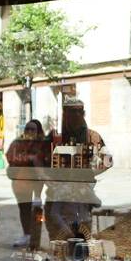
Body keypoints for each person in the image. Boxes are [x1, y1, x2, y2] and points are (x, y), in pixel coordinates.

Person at [44, 97, 108, 240]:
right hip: (57, 195)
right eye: (70, 112)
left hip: (81, 196)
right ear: (64, 114)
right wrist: (49, 179)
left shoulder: (92, 136)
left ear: (83, 114)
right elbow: (40, 162)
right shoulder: (55, 137)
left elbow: (108, 160)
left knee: (81, 241)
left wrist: (88, 173)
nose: (74, 115)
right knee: (59, 242)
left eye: (78, 112)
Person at [6, 119, 52, 248]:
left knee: (37, 208)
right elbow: (10, 156)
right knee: (24, 208)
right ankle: (26, 234)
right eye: (27, 129)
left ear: (38, 131)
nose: (30, 132)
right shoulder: (18, 142)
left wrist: (33, 159)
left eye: (33, 129)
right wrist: (29, 158)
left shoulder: (42, 144)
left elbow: (45, 158)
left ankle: (35, 237)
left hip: (37, 181)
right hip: (21, 180)